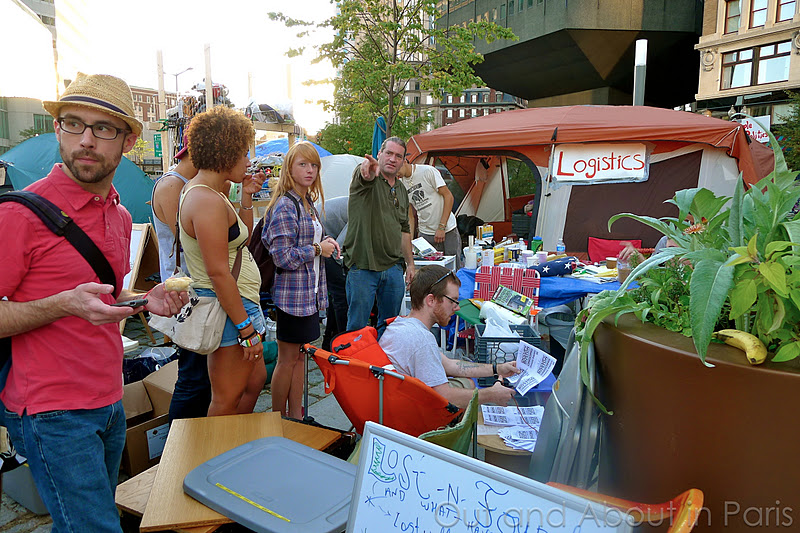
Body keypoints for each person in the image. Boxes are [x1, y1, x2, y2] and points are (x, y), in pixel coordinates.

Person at [0, 72, 188, 532]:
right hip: (51, 411)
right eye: (72, 124)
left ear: (127, 141)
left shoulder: (121, 214)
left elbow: (101, 296)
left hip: (109, 396)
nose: (85, 140)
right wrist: (61, 304)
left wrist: (145, 300)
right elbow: (72, 301)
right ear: (58, 128)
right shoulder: (18, 215)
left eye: (103, 128)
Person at [178, 106, 267, 417]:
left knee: (255, 381)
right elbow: (217, 272)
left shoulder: (214, 193)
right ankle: (215, 458)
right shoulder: (204, 199)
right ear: (225, 151)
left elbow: (240, 241)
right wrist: (245, 328)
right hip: (229, 308)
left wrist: (245, 198)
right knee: (226, 399)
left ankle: (234, 444)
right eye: (243, 152)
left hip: (239, 303)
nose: (247, 160)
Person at [264, 142, 339, 418]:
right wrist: (319, 249)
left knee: (298, 359)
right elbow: (282, 257)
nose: (309, 170)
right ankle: (276, 417)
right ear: (290, 168)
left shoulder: (306, 202)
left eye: (314, 165)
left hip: (308, 295)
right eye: (303, 164)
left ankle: (295, 415)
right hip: (292, 297)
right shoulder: (286, 204)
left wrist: (324, 242)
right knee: (287, 360)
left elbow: (307, 242)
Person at [379, 265, 519, 408]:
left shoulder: (402, 324)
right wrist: (491, 395)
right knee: (466, 387)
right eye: (452, 300)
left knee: (467, 383)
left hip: (394, 402)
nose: (457, 307)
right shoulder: (421, 339)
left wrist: (497, 368)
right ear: (431, 300)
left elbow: (451, 365)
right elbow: (443, 397)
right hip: (406, 412)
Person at [150, 136, 211, 421]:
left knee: (201, 375)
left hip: (195, 290)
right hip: (184, 292)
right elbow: (192, 241)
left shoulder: (189, 185)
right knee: (192, 375)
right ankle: (178, 444)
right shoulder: (172, 185)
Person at [343, 137, 415, 332]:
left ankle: (383, 363)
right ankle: (355, 362)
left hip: (393, 268)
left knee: (390, 327)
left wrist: (410, 264)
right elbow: (364, 173)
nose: (392, 159)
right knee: (357, 329)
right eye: (389, 153)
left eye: (398, 156)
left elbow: (404, 229)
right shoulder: (368, 179)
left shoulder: (401, 189)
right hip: (363, 267)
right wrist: (366, 168)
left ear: (403, 162)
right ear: (379, 154)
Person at [399, 161, 461, 270]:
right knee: (427, 273)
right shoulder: (401, 184)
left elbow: (448, 196)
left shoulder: (427, 171)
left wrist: (441, 227)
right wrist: (410, 240)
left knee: (452, 269)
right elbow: (410, 216)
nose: (395, 174)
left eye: (396, 170)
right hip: (425, 233)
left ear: (403, 161)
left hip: (447, 229)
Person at [318, 195, 349, 351]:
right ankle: (344, 344)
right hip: (324, 242)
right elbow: (340, 250)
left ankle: (329, 341)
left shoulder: (363, 203)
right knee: (341, 296)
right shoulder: (361, 210)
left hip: (325, 237)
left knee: (337, 297)